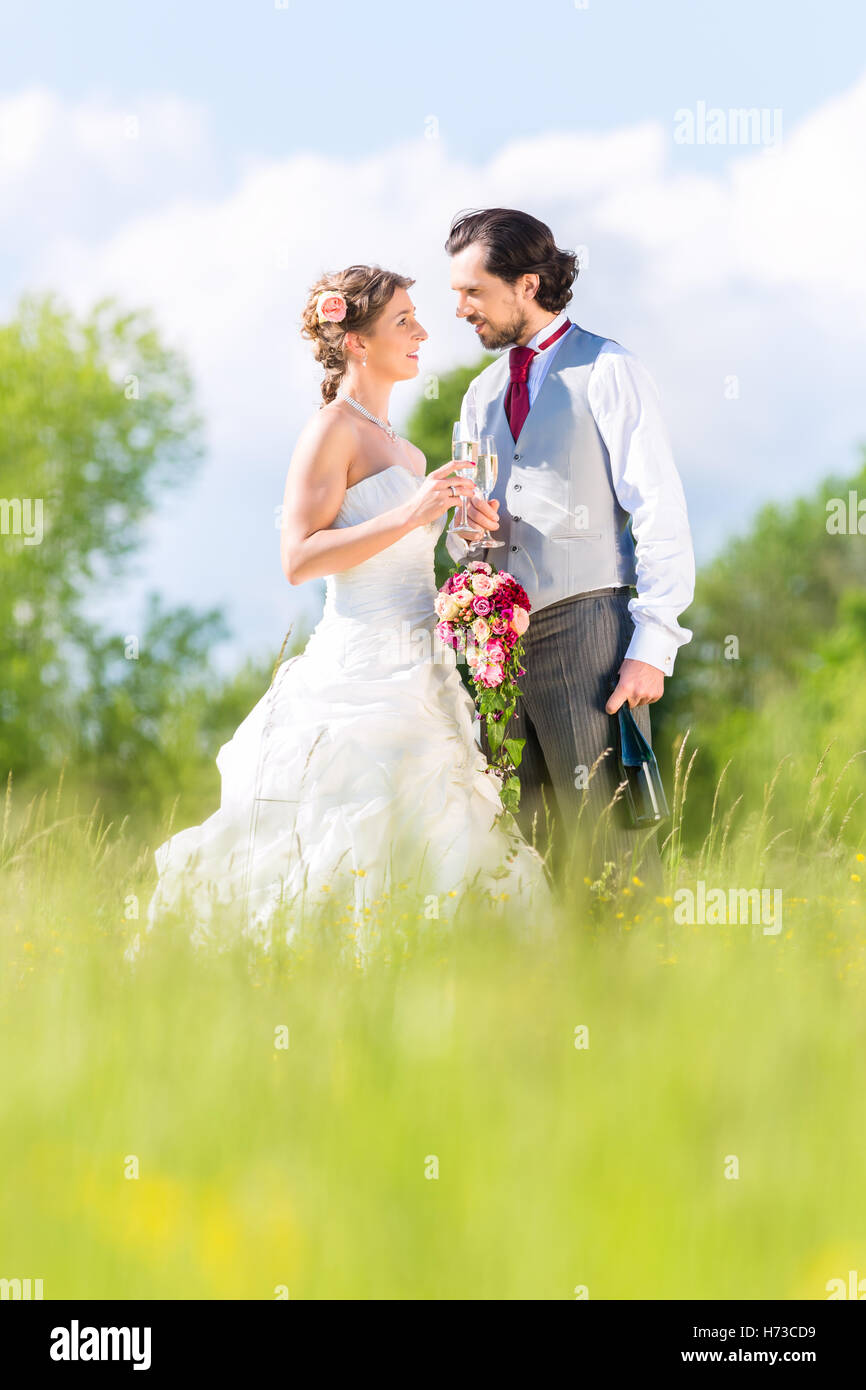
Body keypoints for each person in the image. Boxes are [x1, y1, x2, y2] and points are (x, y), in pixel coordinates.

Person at [143, 264, 553, 959]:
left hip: (426, 670)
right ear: (356, 343)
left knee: (448, 832)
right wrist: (410, 510)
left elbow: (406, 549)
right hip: (359, 670)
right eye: (403, 321)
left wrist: (463, 530)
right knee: (350, 827)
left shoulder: (410, 449)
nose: (424, 330)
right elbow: (299, 557)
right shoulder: (329, 430)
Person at [443, 208, 695, 885]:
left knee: (609, 847)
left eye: (473, 292)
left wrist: (654, 646)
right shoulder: (479, 395)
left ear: (526, 284)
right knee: (525, 850)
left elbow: (660, 509)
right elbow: (460, 535)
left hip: (588, 629)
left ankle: (641, 985)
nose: (460, 310)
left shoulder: (610, 369)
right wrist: (468, 529)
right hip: (497, 651)